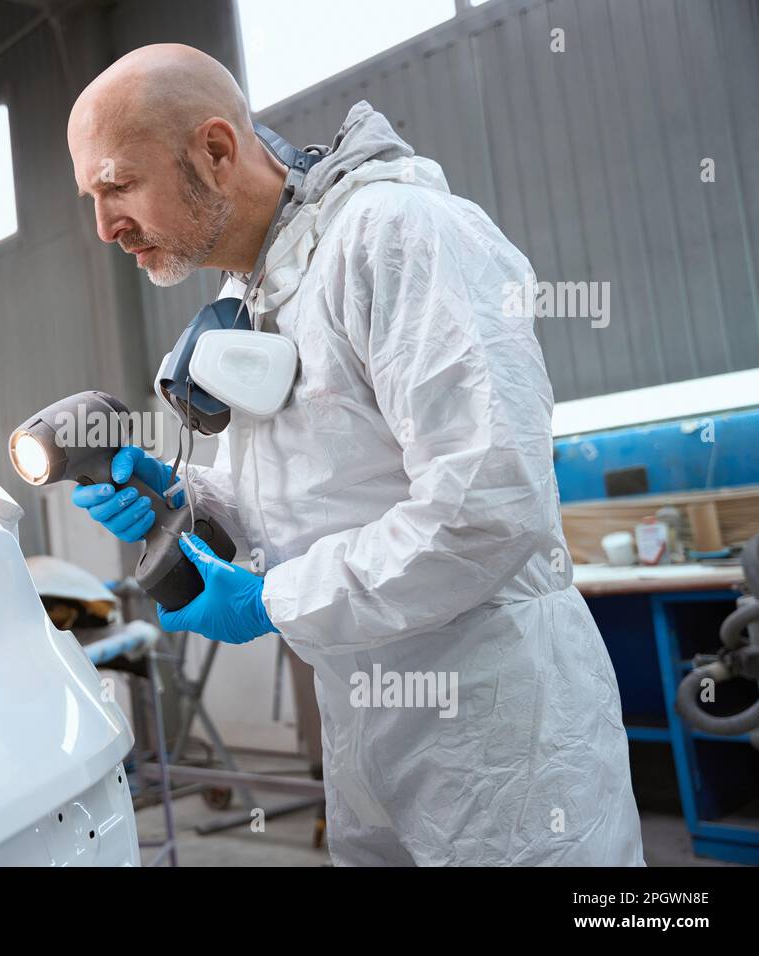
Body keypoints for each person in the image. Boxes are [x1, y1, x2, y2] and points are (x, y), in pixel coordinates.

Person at [65, 44, 644, 865]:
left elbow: (487, 506)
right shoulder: (257, 297)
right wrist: (185, 496)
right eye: (91, 198)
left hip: (497, 733)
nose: (104, 227)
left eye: (118, 185)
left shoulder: (400, 237)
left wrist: (270, 601)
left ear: (217, 152)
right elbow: (315, 495)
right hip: (365, 718)